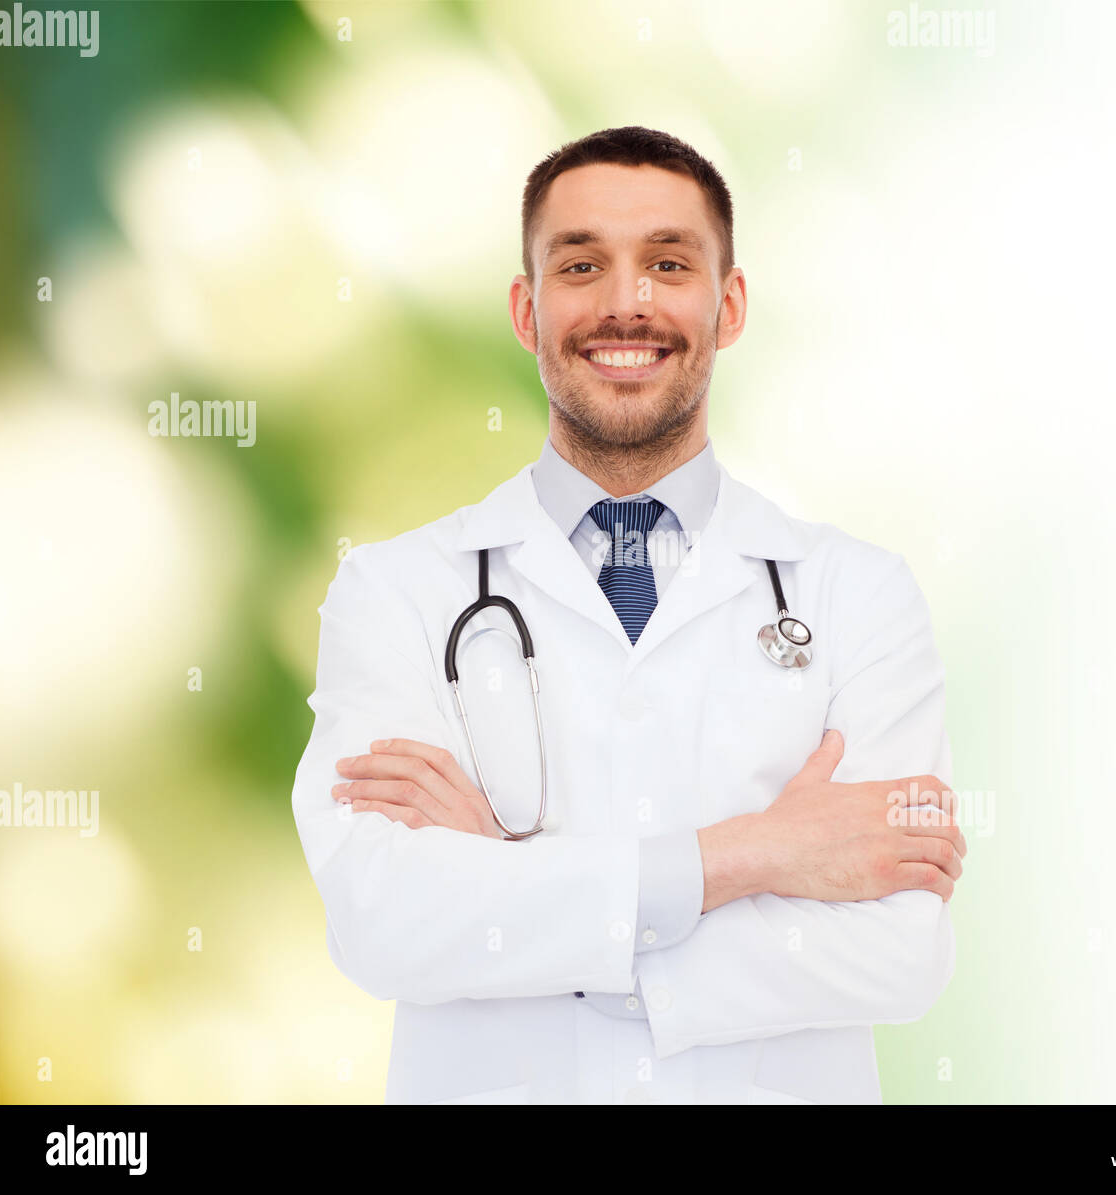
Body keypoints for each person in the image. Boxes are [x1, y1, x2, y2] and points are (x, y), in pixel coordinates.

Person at [291, 126, 966, 1105]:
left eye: (666, 262)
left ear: (727, 305)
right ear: (526, 311)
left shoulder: (860, 594)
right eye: (580, 265)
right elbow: (383, 922)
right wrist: (759, 853)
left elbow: (901, 950)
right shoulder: (395, 591)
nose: (624, 302)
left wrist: (518, 899)